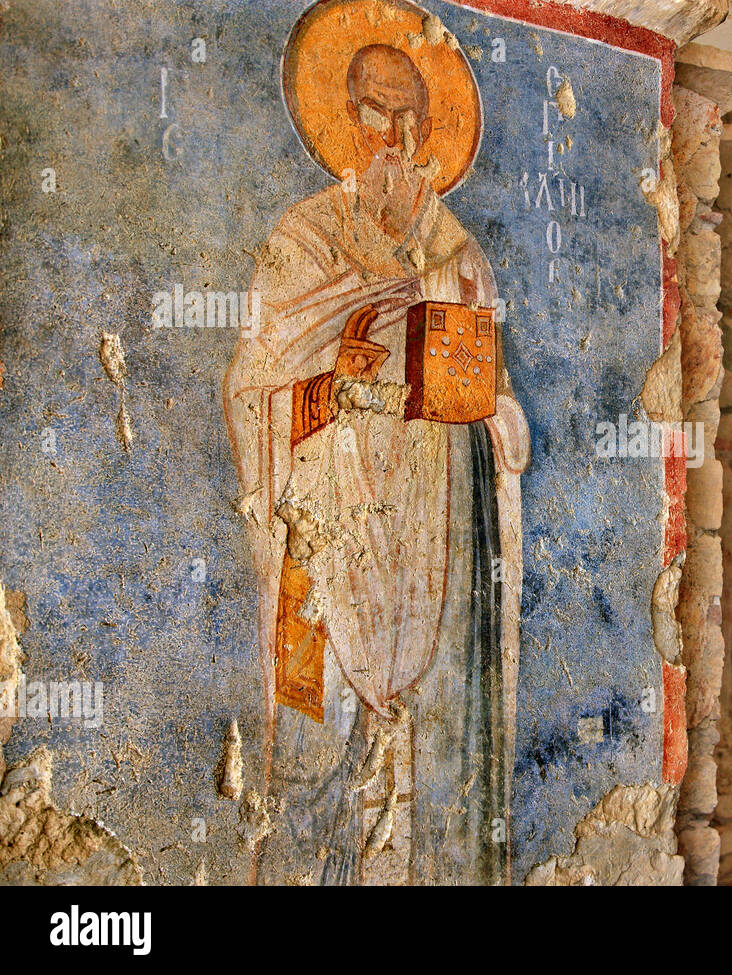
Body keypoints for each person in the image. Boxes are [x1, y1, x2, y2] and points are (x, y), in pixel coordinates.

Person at [223, 10, 528, 885]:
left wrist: (487, 416)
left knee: (428, 770)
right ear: (343, 120)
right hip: (321, 540)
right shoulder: (302, 241)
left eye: (405, 117)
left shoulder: (460, 259)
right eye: (371, 113)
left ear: (428, 129)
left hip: (434, 548)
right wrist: (335, 381)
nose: (389, 135)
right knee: (308, 753)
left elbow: (499, 408)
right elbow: (251, 395)